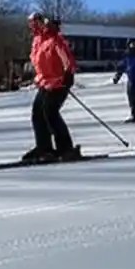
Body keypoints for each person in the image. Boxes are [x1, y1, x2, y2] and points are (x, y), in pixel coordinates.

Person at [25, 13, 79, 161]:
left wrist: (69, 74)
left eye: (37, 23)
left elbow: (67, 58)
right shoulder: (37, 40)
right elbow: (38, 61)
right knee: (37, 113)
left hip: (59, 82)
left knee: (50, 112)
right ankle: (44, 148)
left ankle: (66, 148)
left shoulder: (55, 38)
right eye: (32, 23)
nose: (34, 26)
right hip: (45, 82)